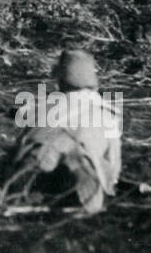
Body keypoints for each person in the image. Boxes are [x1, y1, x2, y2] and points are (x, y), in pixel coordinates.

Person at [11, 50, 121, 214]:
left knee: (34, 156)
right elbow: (113, 162)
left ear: (61, 80)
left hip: (38, 170)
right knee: (89, 163)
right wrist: (110, 183)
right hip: (83, 177)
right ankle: (80, 176)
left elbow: (19, 144)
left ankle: (38, 179)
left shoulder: (39, 108)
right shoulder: (108, 114)